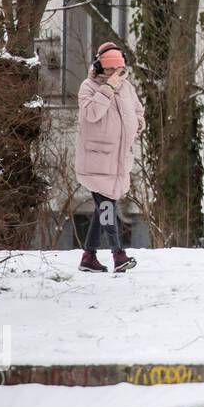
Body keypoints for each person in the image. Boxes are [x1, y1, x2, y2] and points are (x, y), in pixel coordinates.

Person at [75, 41, 145, 273]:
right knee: (106, 207)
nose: (116, 75)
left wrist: (138, 125)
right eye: (110, 70)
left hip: (118, 159)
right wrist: (108, 89)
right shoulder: (88, 87)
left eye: (119, 71)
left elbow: (137, 111)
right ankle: (118, 254)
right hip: (97, 160)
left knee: (103, 206)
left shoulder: (127, 88)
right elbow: (91, 113)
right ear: (100, 67)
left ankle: (88, 257)